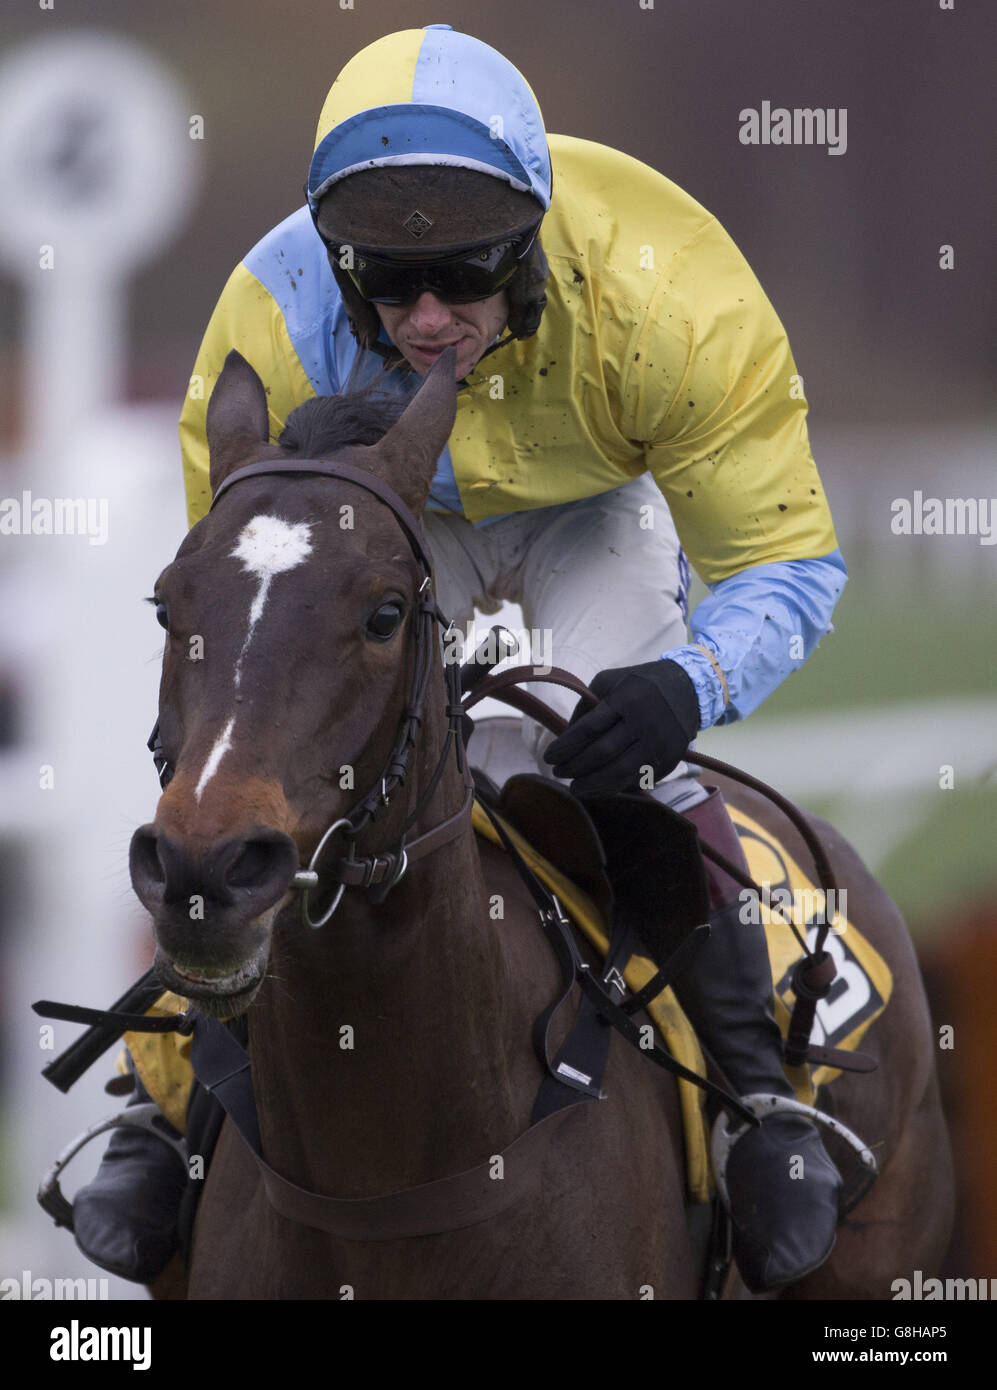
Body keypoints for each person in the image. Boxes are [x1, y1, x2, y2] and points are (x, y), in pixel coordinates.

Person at [74, 24, 847, 1294]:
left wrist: (688, 684)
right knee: (257, 774)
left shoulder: (675, 300)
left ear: (529, 241)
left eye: (467, 273)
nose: (429, 320)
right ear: (338, 261)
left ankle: (757, 1100)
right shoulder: (269, 318)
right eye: (389, 283)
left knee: (609, 760)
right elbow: (233, 607)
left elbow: (788, 562)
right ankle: (159, 1103)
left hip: (590, 511)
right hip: (378, 514)